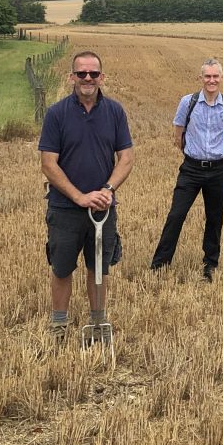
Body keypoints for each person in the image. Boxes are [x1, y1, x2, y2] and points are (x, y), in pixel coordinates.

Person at [39, 51, 134, 340]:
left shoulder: (115, 112)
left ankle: (98, 323)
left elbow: (126, 158)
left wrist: (107, 190)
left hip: (103, 209)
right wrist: (79, 197)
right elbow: (48, 163)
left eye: (93, 74)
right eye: (82, 74)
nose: (88, 79)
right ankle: (59, 325)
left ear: (102, 77)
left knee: (99, 269)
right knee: (62, 267)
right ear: (72, 77)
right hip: (65, 208)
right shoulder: (57, 114)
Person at [149, 57, 223, 282]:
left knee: (214, 218)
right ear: (201, 78)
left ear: (221, 78)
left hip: (219, 170)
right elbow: (178, 135)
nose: (211, 80)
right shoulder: (187, 102)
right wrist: (195, 155)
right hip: (191, 169)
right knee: (176, 215)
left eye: (215, 76)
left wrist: (215, 155)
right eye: (207, 76)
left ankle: (210, 264)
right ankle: (159, 264)